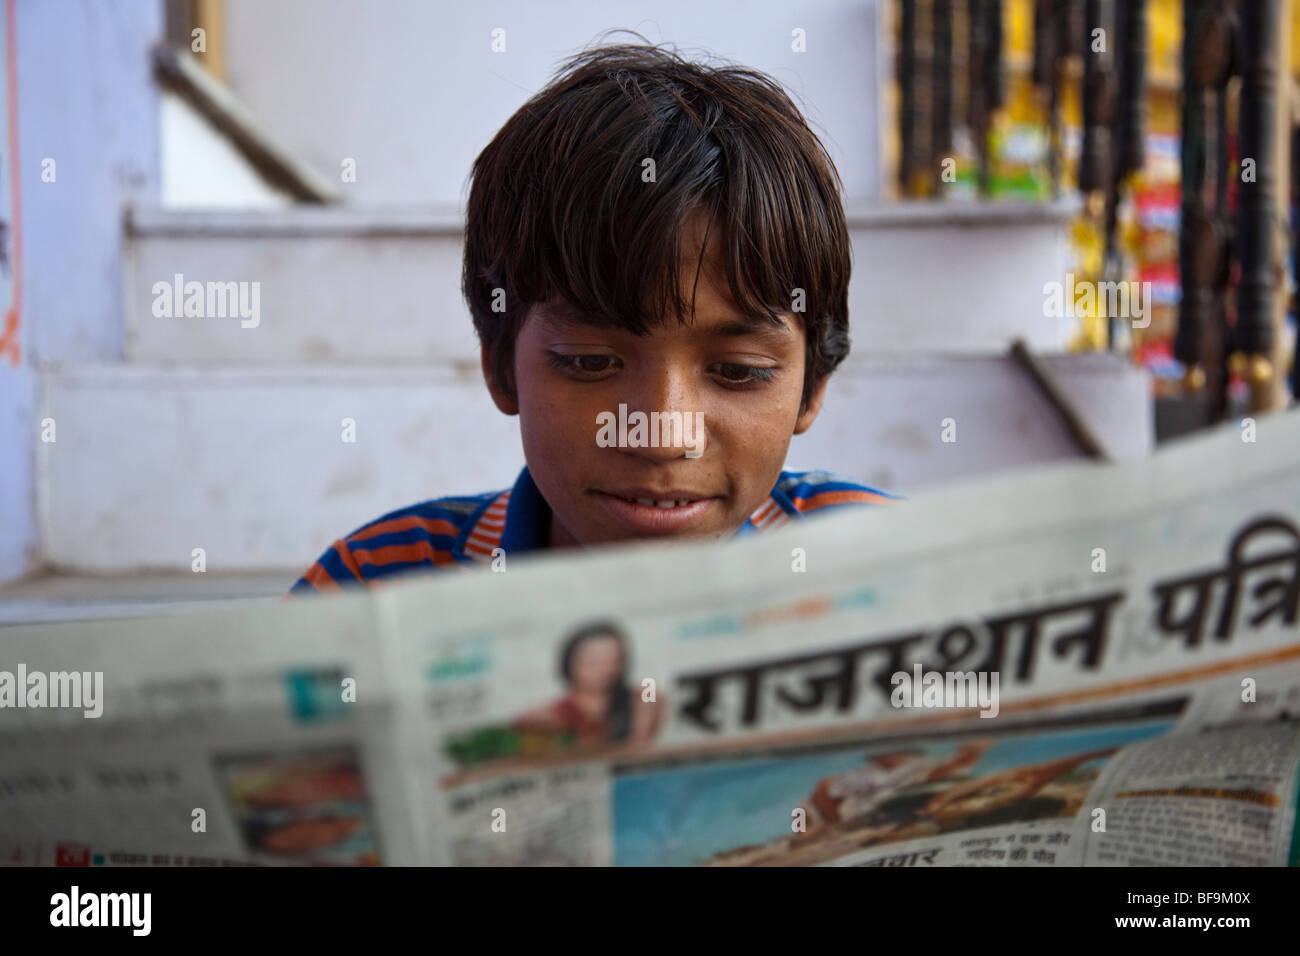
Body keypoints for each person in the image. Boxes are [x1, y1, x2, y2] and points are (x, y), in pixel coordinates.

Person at [290, 41, 902, 594]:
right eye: (590, 361)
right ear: (501, 367)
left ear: (811, 386)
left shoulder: (895, 566)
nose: (663, 436)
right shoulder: (372, 588)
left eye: (738, 371)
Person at [512, 621, 659, 749]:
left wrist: (644, 711)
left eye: (611, 661)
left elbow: (651, 689)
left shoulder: (639, 698)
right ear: (570, 662)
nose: (602, 669)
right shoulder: (553, 713)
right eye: (591, 662)